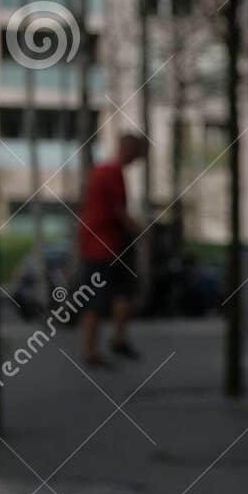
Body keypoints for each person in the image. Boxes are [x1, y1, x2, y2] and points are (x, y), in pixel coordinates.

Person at [76, 132, 147, 368]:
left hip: (108, 245)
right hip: (102, 246)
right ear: (129, 149)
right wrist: (141, 232)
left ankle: (116, 339)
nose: (138, 159)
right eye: (138, 153)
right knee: (96, 299)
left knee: (124, 292)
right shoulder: (111, 172)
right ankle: (91, 352)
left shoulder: (103, 171)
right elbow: (119, 210)